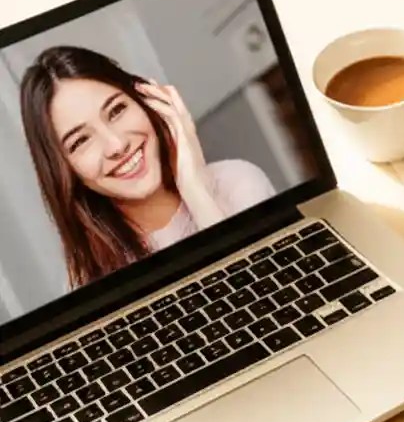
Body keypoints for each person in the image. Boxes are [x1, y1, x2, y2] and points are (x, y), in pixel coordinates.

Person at [20, 46, 276, 290]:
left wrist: (196, 191)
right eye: (81, 141)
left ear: (146, 100)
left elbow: (260, 298)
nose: (117, 145)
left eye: (116, 110)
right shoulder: (87, 276)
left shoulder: (238, 184)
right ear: (64, 171)